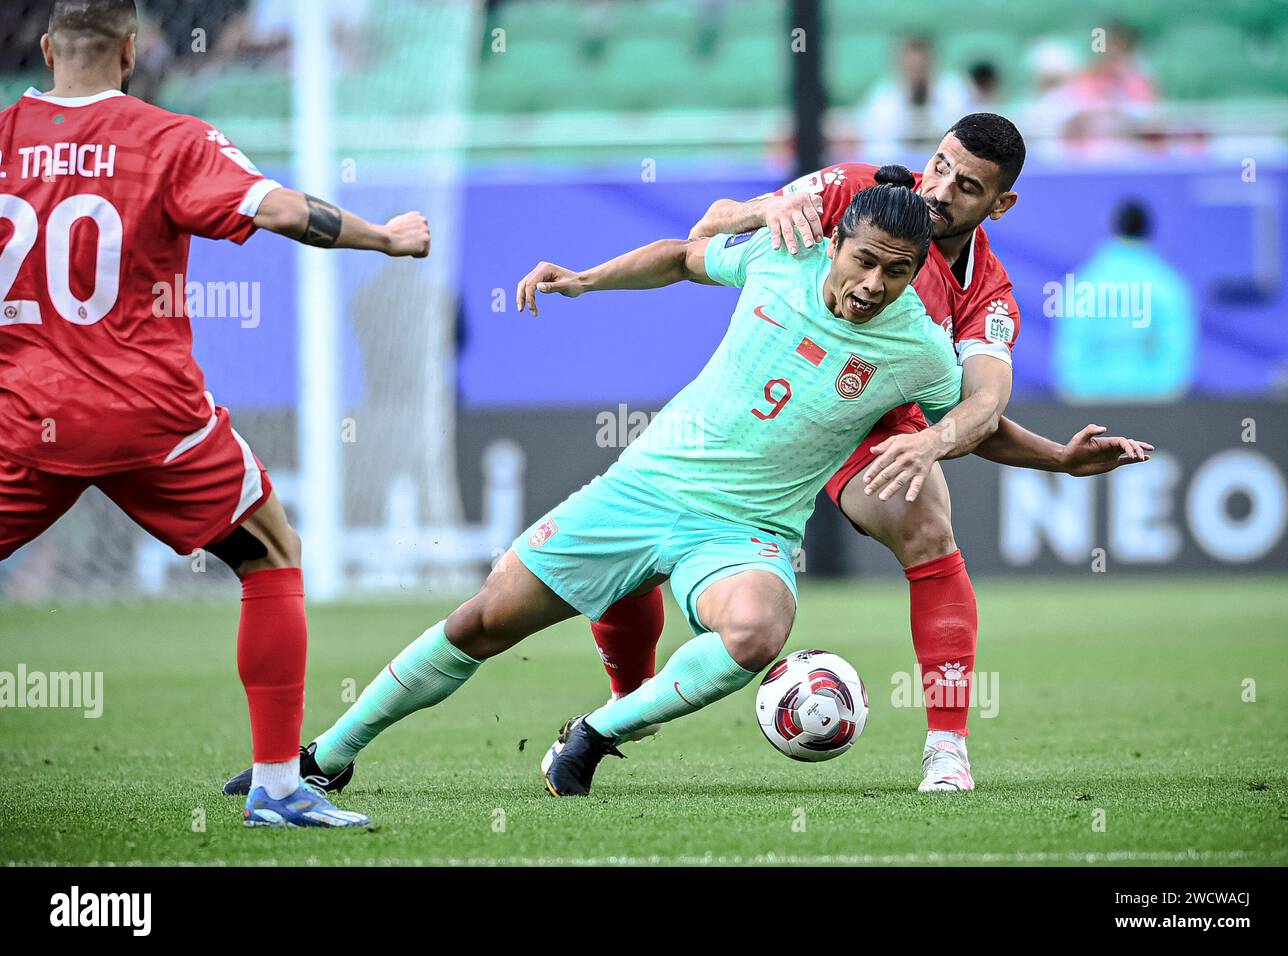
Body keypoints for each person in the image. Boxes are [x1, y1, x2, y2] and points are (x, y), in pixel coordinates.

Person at [226, 168, 977, 798]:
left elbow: (978, 417)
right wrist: (586, 280)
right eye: (864, 261)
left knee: (756, 630)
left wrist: (1055, 456)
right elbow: (684, 255)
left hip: (745, 533)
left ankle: (593, 735)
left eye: (897, 270)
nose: (874, 283)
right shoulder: (781, 257)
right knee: (483, 621)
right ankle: (325, 757)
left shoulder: (918, 345)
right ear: (836, 243)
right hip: (643, 488)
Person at [548, 113, 1154, 793]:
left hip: (879, 424)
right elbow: (708, 229)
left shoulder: (988, 295)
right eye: (942, 164)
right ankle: (628, 703)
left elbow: (983, 405)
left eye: (969, 185)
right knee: (643, 545)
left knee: (928, 527)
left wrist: (966, 446)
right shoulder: (855, 190)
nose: (943, 187)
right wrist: (766, 206)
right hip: (778, 397)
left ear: (999, 205)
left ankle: (947, 750)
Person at [0, 0, 430, 827]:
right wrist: (385, 238)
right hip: (147, 418)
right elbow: (279, 211)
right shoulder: (168, 139)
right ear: (131, 50)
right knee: (271, 553)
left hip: (26, 418)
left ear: (48, 47)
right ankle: (275, 788)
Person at [1053, 199, 1196, 403]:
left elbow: (1070, 358)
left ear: (1113, 228)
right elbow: (1176, 358)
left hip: (1091, 412)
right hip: (1156, 412)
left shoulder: (1083, 283)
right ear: (1149, 230)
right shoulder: (1169, 284)